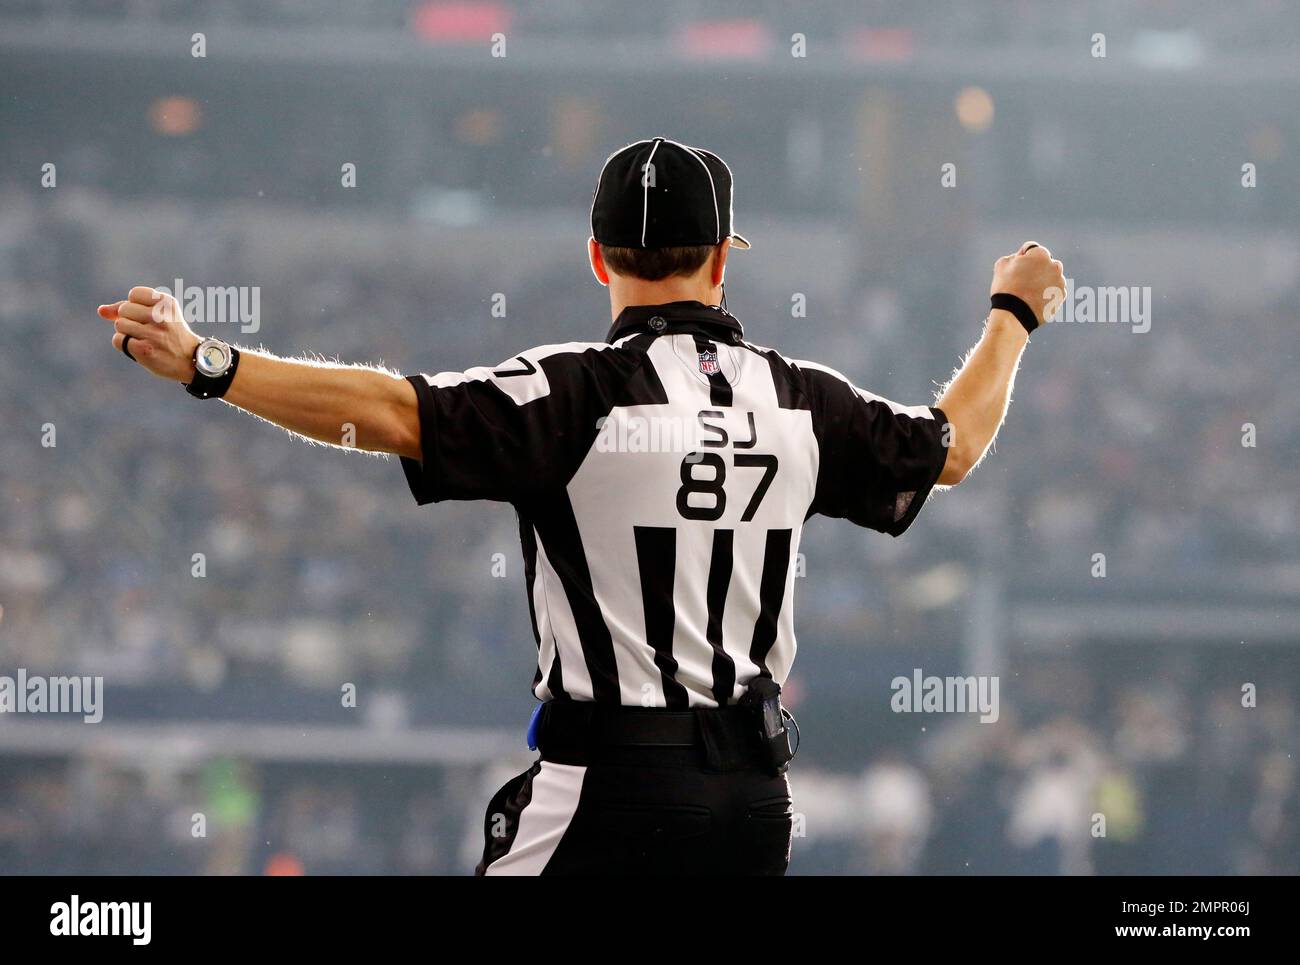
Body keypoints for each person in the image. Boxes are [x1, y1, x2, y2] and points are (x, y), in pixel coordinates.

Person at [97, 137, 1066, 875]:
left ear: (599, 258)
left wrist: (208, 364)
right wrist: (1011, 315)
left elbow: (389, 410)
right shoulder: (803, 400)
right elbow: (953, 445)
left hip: (609, 782)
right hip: (750, 794)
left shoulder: (574, 395)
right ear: (723, 259)